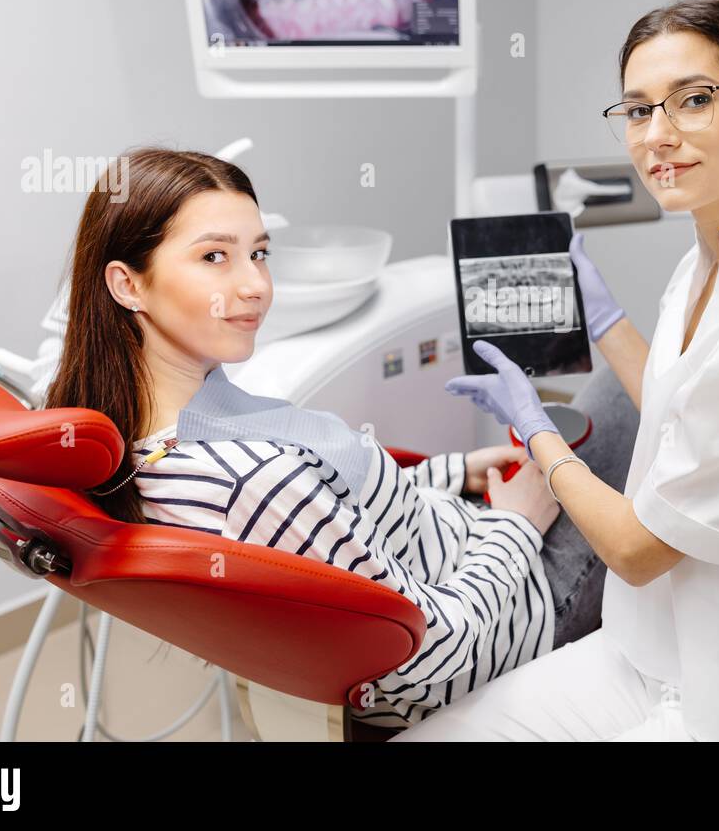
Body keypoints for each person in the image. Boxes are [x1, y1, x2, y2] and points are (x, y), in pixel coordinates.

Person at [392, 0, 719, 742]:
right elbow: (687, 406)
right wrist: (607, 324)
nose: (658, 136)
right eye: (638, 111)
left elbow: (637, 552)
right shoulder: (713, 251)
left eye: (694, 101)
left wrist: (538, 432)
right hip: (646, 654)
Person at [41, 147, 639, 730]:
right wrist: (520, 525)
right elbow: (427, 654)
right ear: (128, 285)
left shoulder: (172, 431)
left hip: (469, 544)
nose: (255, 285)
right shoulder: (252, 481)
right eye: (215, 257)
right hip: (520, 607)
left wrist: (455, 472)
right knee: (639, 388)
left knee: (622, 402)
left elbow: (336, 516)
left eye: (259, 253)